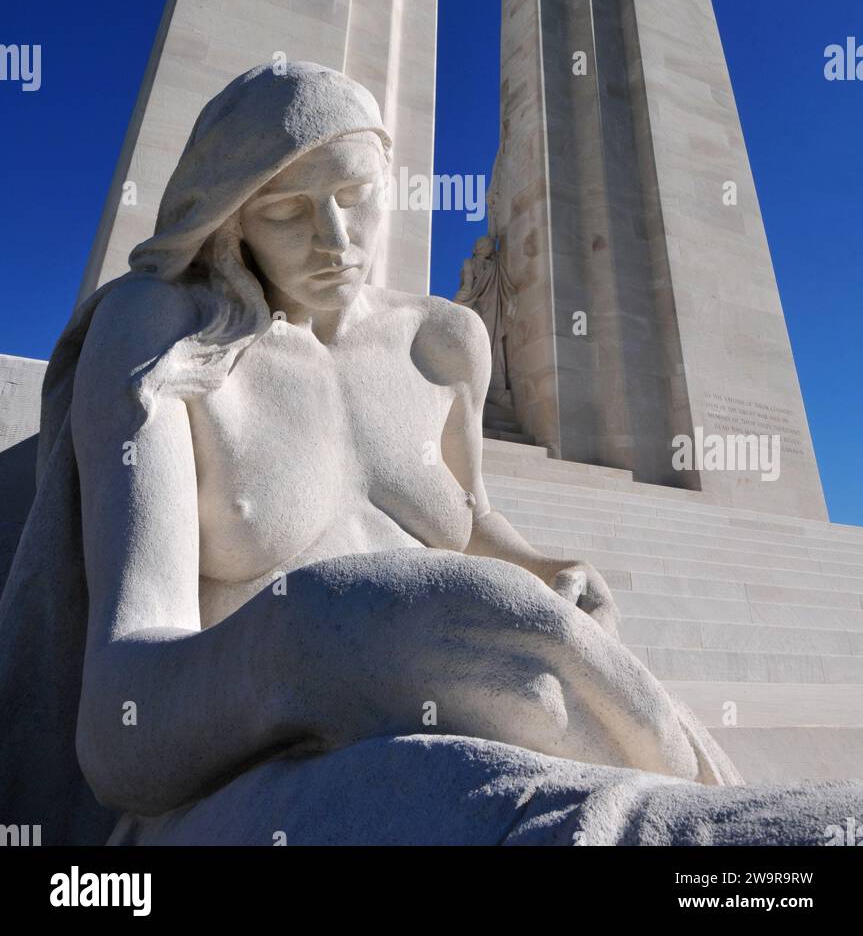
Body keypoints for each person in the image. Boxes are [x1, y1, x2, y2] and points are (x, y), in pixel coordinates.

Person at [0, 61, 742, 848]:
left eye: (355, 196)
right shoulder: (163, 334)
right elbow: (126, 724)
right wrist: (334, 640)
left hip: (494, 712)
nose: (336, 240)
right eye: (287, 211)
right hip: (265, 780)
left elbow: (469, 520)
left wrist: (544, 569)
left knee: (724, 828)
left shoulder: (445, 341)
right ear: (232, 220)